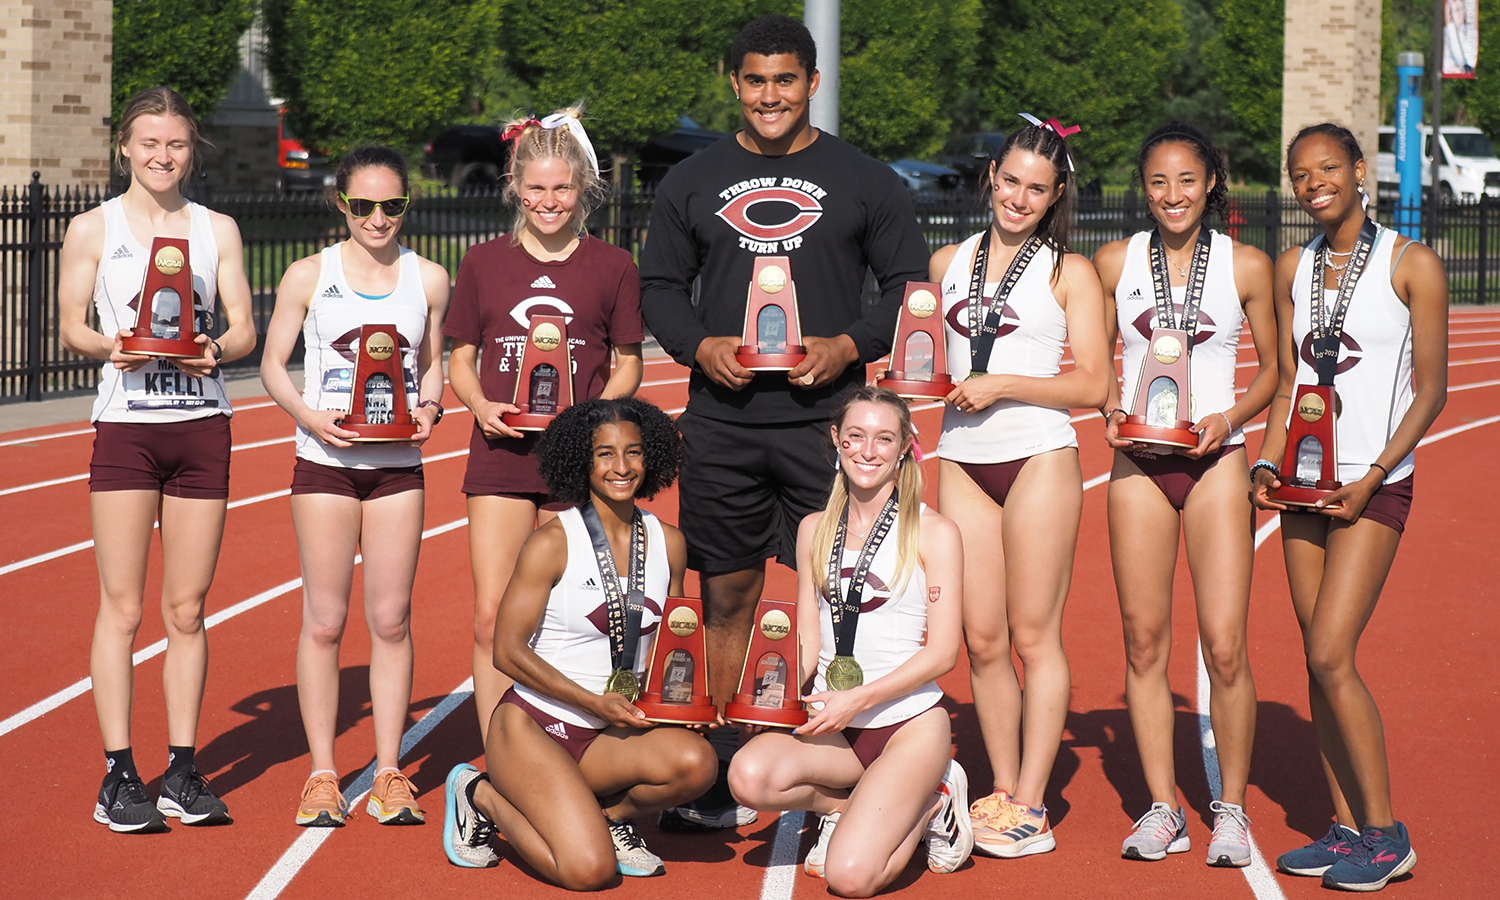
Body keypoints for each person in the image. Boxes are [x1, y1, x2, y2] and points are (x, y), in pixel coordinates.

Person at [639, 13, 930, 828]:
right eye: (755, 80)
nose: (771, 95)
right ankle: (730, 755)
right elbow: (659, 285)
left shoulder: (866, 178)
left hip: (830, 425)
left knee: (839, 595)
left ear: (811, 83)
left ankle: (836, 750)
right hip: (725, 422)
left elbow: (908, 285)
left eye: (787, 80)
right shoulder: (691, 179)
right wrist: (699, 346)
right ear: (734, 83)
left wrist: (850, 344)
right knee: (726, 594)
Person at [1252, 124, 1447, 892]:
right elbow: (1291, 380)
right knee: (1314, 654)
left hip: (1372, 484)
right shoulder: (1293, 265)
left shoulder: (1412, 263)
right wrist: (1267, 461)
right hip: (1303, 484)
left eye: (1328, 168)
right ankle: (1342, 829)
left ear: (1360, 171)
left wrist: (1372, 475)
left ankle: (1386, 833)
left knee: (1333, 651)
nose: (1314, 184)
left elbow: (1433, 391)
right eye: (1301, 174)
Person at [58, 86, 257, 833]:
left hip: (202, 427)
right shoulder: (93, 227)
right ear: (125, 148)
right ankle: (118, 773)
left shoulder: (218, 230)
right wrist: (114, 345)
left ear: (190, 149)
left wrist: (215, 349)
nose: (162, 156)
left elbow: (241, 327)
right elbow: (70, 324)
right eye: (148, 143)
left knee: (187, 609)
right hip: (128, 429)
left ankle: (181, 766)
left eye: (174, 144)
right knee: (124, 607)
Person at [1092, 122, 1277, 866]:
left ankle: (1229, 810)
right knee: (1144, 644)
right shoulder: (1113, 261)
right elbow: (1092, 352)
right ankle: (1163, 806)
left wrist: (1228, 418)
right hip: (1138, 464)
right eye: (1159, 182)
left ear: (1211, 185)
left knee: (1225, 647)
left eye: (1187, 181)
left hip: (1216, 461)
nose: (1173, 195)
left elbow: (1275, 370)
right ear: (1145, 188)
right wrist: (1108, 406)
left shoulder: (1248, 265)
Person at [441, 398, 718, 886]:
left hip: (609, 732)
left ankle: (609, 819)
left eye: (634, 452)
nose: (621, 467)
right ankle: (480, 794)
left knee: (697, 764)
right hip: (537, 726)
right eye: (605, 454)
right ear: (581, 460)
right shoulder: (552, 541)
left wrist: (686, 705)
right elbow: (506, 650)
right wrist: (592, 700)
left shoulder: (669, 542)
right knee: (588, 871)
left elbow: (673, 643)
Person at [929, 117, 1111, 857]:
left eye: (1037, 188)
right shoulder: (947, 260)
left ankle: (1033, 803)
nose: (1019, 198)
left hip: (1037, 455)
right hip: (961, 458)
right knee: (981, 639)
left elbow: (1096, 383)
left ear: (1056, 192)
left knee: (1035, 636)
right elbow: (927, 357)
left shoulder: (1070, 271)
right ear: (991, 178)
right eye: (1010, 181)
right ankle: (1003, 790)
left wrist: (1002, 382)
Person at [260, 145, 451, 827]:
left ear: (407, 206)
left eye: (392, 205)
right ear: (341, 203)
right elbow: (273, 363)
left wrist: (429, 409)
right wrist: (308, 414)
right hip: (325, 465)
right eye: (364, 205)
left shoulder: (428, 278)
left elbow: (434, 365)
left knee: (391, 620)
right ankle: (321, 773)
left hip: (397, 467)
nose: (378, 218)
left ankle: (391, 771)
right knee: (325, 620)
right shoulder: (309, 273)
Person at [446, 109, 644, 742]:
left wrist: (589, 423)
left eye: (561, 187)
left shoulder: (613, 265)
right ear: (514, 185)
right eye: (535, 187)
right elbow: (460, 358)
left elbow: (630, 363)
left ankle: (579, 742)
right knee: (490, 618)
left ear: (582, 186)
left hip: (577, 459)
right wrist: (479, 406)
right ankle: (499, 759)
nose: (548, 201)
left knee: (584, 617)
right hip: (501, 454)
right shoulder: (481, 262)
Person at [728, 386, 971, 896]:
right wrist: (768, 699)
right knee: (748, 775)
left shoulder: (934, 532)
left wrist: (858, 699)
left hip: (906, 726)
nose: (867, 451)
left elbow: (943, 653)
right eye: (855, 436)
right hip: (836, 728)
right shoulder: (814, 528)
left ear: (905, 445)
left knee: (849, 878)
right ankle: (853, 806)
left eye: (884, 439)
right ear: (836, 439)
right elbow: (809, 638)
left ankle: (934, 797)